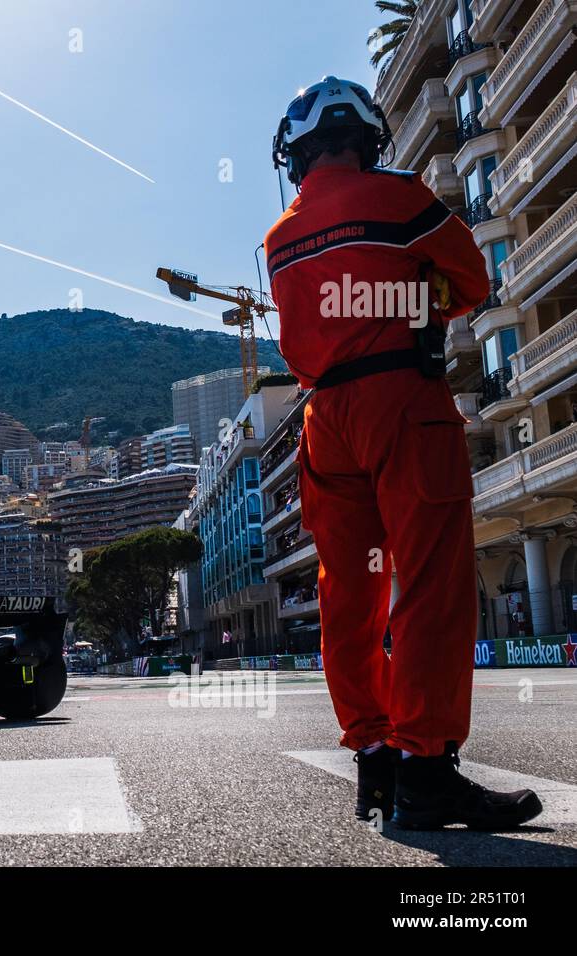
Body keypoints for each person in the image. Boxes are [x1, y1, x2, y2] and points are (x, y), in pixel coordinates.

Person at [267, 76, 541, 830]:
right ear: (369, 136)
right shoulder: (400, 197)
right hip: (402, 402)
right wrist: (414, 298)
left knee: (347, 596)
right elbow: (471, 279)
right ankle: (428, 767)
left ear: (294, 153)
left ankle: (375, 761)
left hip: (326, 417)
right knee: (426, 585)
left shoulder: (281, 237)